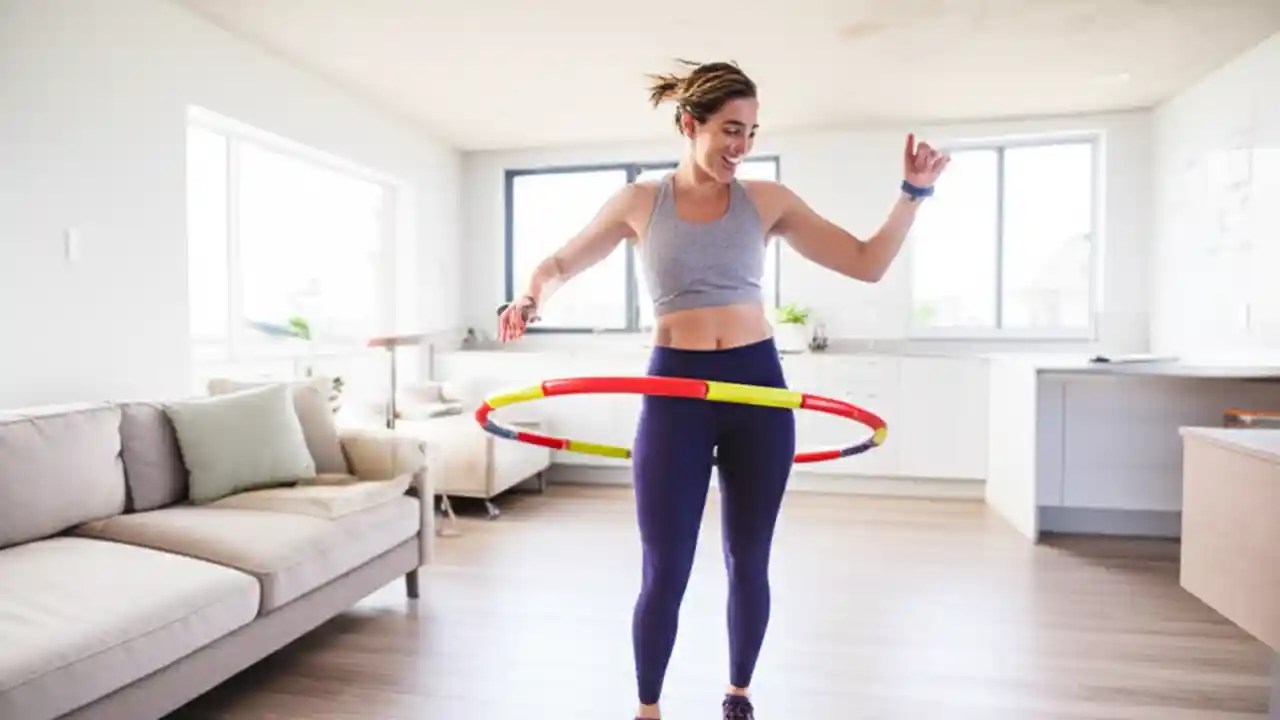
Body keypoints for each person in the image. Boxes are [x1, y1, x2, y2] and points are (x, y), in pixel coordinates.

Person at [497, 59, 950, 720]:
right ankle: (648, 709)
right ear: (690, 124)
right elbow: (563, 260)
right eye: (729, 130)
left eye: (752, 132)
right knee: (665, 567)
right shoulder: (638, 203)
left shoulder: (766, 200)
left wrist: (913, 193)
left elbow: (866, 261)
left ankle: (737, 697)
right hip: (674, 392)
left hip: (757, 391)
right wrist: (530, 296)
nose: (741, 146)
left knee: (749, 559)